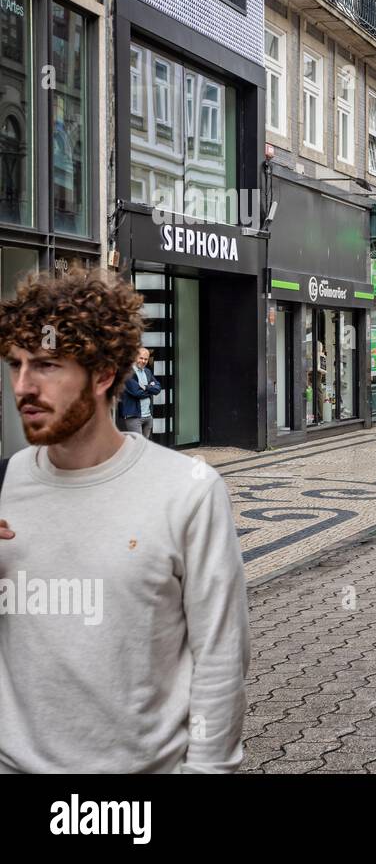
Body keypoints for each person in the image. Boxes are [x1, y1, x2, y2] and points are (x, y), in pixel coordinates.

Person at [0, 270, 249, 772]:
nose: (23, 386)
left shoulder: (188, 492)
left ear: (103, 375)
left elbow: (220, 658)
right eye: (16, 365)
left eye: (47, 365)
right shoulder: (3, 486)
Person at [121, 346, 162, 439]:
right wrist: (151, 389)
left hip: (148, 415)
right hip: (134, 416)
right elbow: (137, 393)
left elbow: (158, 388)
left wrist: (145, 387)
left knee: (145, 446)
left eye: (146, 359)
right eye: (141, 358)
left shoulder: (147, 371)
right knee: (137, 446)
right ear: (135, 357)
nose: (143, 361)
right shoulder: (128, 373)